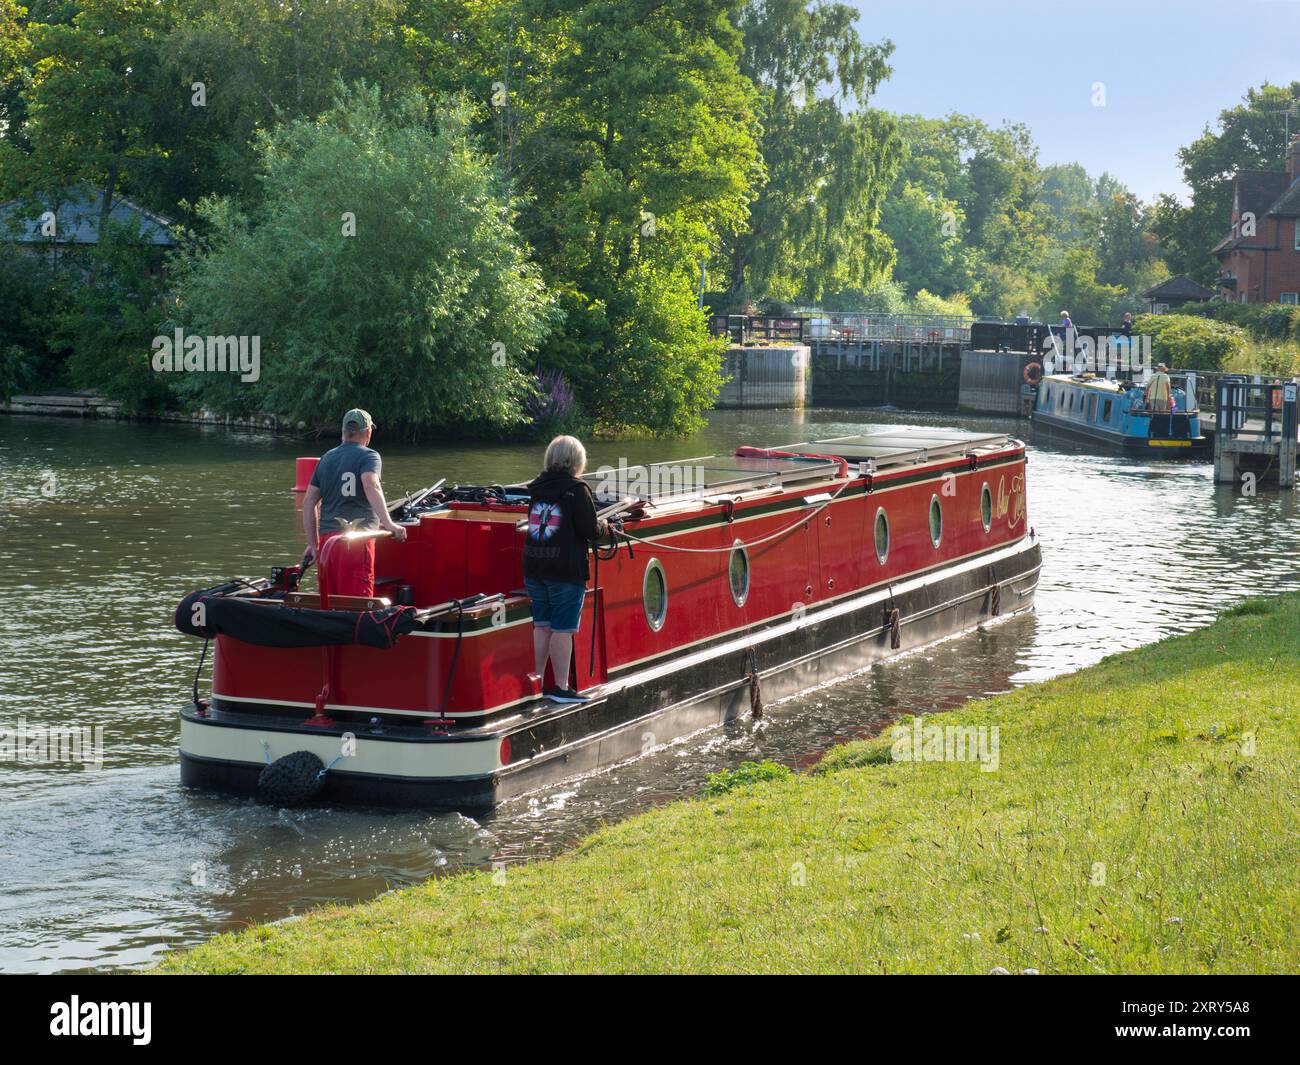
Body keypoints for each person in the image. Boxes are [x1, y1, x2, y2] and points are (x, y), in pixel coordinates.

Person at [522, 435, 609, 703]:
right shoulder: (578, 490)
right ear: (576, 461)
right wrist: (605, 527)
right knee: (563, 628)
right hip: (564, 569)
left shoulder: (536, 487)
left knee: (542, 625)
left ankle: (537, 683)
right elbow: (589, 530)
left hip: (534, 566)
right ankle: (561, 687)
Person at [301, 408, 407, 599]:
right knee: (357, 603)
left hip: (327, 546)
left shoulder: (325, 459)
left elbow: (309, 502)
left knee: (330, 603)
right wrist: (389, 524)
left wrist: (313, 544)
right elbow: (371, 484)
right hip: (356, 542)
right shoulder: (369, 456)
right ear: (368, 432)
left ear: (343, 431)